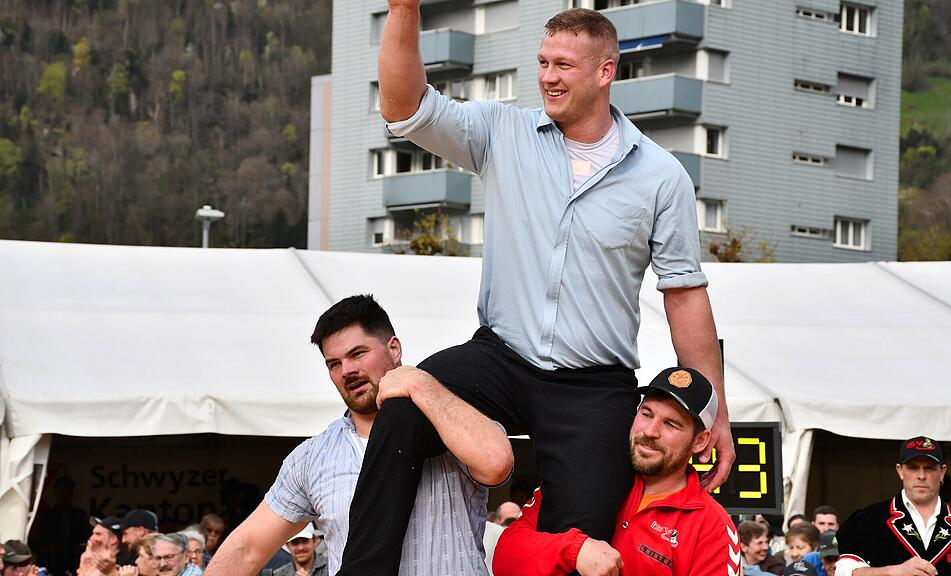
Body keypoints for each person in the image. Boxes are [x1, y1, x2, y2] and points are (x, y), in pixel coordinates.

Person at [342, 5, 734, 574]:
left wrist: (711, 406)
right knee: (402, 406)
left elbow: (685, 295)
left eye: (564, 65)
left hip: (594, 385)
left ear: (605, 72)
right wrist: (405, 8)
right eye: (542, 62)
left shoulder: (661, 176)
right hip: (500, 355)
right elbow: (404, 108)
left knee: (580, 548)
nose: (547, 76)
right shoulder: (504, 132)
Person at [205, 295, 512, 576]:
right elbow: (247, 550)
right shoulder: (314, 457)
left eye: (358, 354)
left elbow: (495, 463)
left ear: (394, 348)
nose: (347, 370)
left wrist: (420, 385)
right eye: (334, 363)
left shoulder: (448, 418)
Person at [492, 367, 739, 576]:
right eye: (646, 414)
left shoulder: (713, 527)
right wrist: (575, 551)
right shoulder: (586, 471)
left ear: (700, 441)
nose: (650, 431)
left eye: (671, 424)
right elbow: (504, 557)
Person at [835, 436, 951, 576]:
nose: (921, 476)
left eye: (929, 468)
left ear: (942, 472)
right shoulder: (869, 520)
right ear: (900, 471)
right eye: (913, 468)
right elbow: (844, 571)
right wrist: (892, 571)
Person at [28, 476, 92, 576]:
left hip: (75, 565)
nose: (66, 495)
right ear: (56, 493)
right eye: (62, 491)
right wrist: (47, 549)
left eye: (69, 492)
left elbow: (89, 540)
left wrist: (79, 548)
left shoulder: (79, 515)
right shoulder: (45, 516)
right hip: (50, 566)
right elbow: (31, 544)